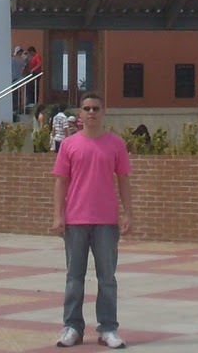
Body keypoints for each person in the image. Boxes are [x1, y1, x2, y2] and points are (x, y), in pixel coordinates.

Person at [51, 93, 132, 349]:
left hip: (106, 221)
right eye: (86, 108)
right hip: (75, 220)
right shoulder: (69, 145)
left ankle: (108, 328)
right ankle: (72, 327)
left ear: (103, 111)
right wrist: (58, 215)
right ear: (80, 113)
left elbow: (124, 180)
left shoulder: (116, 144)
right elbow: (61, 181)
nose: (91, 113)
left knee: (107, 278)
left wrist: (128, 213)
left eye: (96, 108)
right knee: (74, 277)